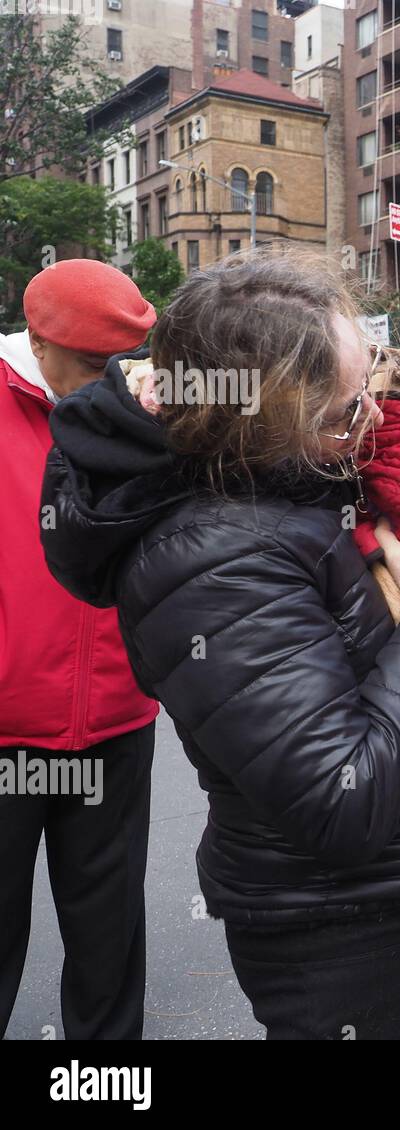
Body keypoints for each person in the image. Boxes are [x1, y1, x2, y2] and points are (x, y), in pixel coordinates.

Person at [39, 248, 400, 1040]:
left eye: (372, 392)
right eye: (348, 410)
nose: (376, 420)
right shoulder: (216, 557)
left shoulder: (287, 484)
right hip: (348, 932)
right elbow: (341, 798)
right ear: (263, 413)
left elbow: (374, 682)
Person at [0, 260, 159, 1040]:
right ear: (37, 340)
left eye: (123, 364)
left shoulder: (148, 415)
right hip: (5, 729)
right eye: (96, 366)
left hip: (118, 722)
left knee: (108, 947)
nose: (113, 382)